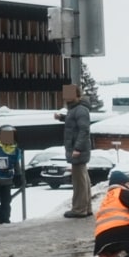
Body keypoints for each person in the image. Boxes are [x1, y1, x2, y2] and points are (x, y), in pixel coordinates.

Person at [55, 85, 92, 218]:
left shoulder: (80, 109)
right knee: (83, 180)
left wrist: (77, 148)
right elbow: (74, 123)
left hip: (78, 150)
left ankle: (79, 209)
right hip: (77, 149)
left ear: (77, 95)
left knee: (79, 182)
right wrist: (62, 118)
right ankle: (86, 208)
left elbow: (84, 130)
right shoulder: (75, 109)